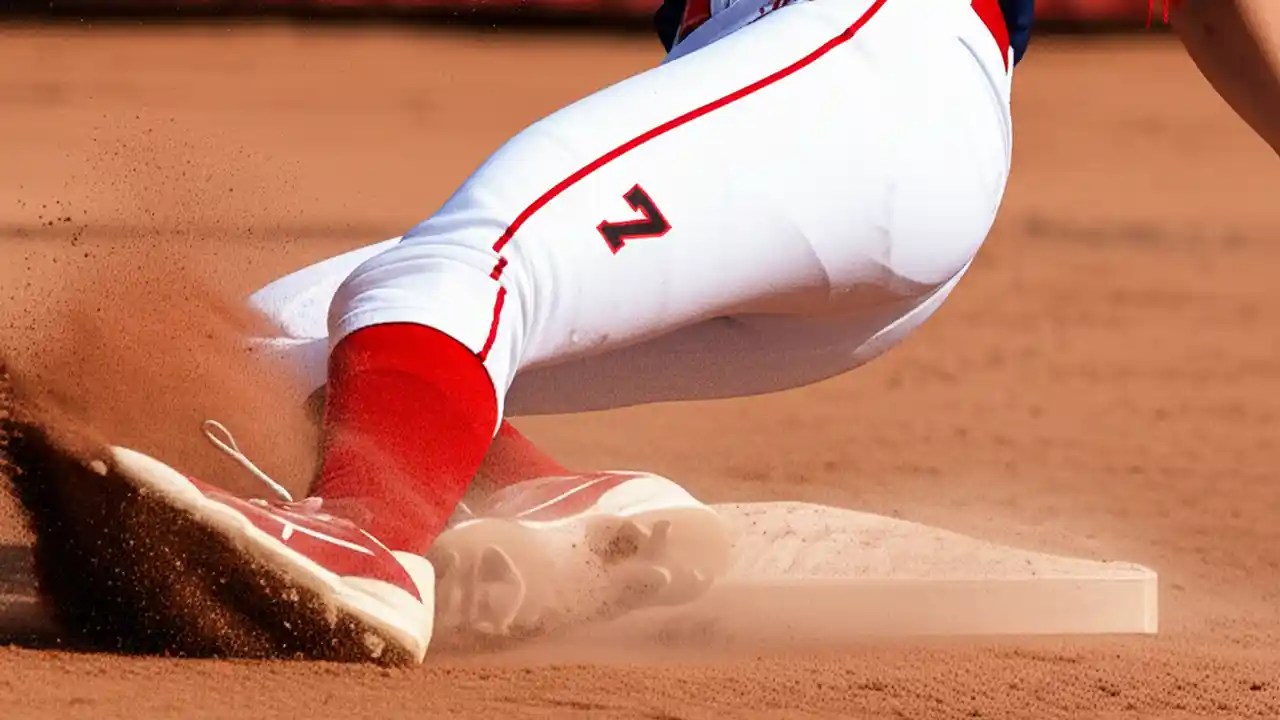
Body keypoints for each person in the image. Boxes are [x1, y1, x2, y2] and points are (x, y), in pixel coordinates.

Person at [89, 0, 1280, 664]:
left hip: (865, 65)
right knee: (238, 372)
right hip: (811, 128)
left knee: (476, 262)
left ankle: (366, 538)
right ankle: (546, 504)